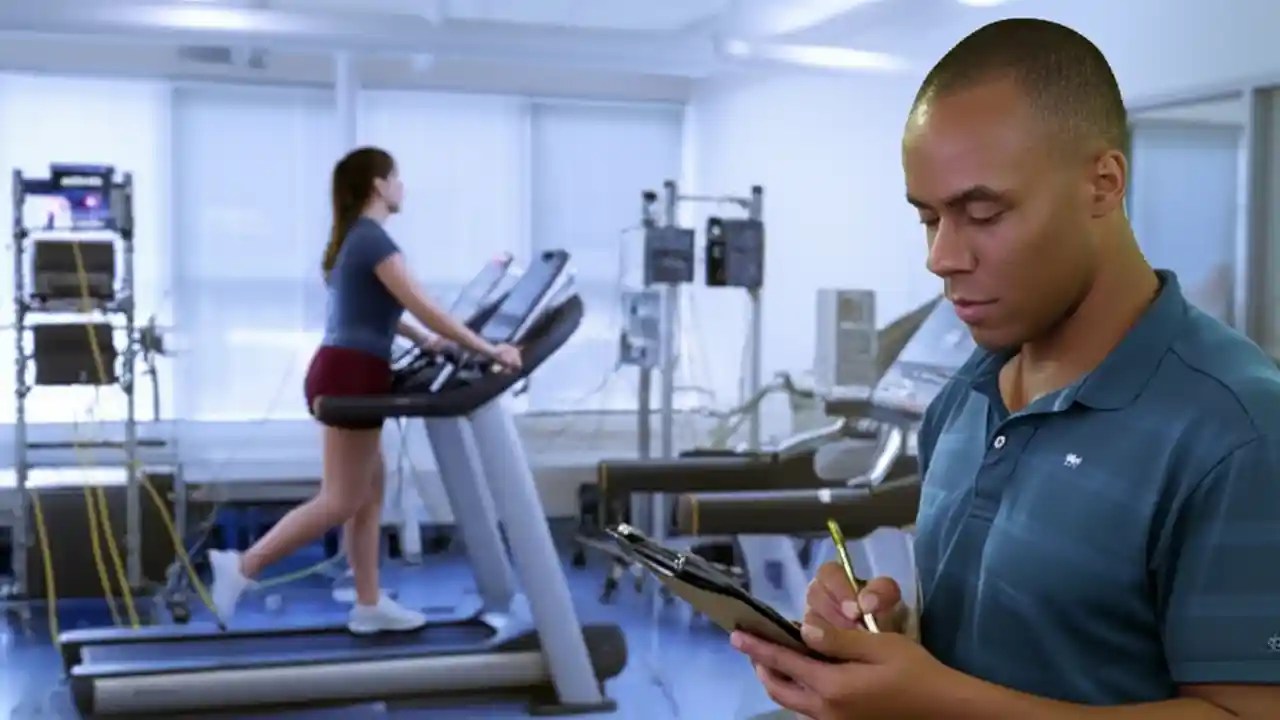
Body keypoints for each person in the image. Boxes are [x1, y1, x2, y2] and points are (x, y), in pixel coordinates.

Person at [732, 18, 1280, 719]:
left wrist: (934, 703)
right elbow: (984, 665)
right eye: (929, 219)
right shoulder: (966, 396)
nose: (943, 257)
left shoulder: (1237, 428)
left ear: (1103, 185)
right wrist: (882, 649)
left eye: (982, 212)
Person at [208, 146, 523, 635]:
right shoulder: (373, 241)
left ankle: (369, 602)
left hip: (343, 366)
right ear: (379, 185)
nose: (402, 187)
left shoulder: (354, 240)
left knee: (370, 490)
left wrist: (428, 342)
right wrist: (488, 349)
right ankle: (242, 568)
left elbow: (375, 311)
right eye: (396, 177)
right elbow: (423, 305)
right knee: (340, 499)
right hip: (351, 372)